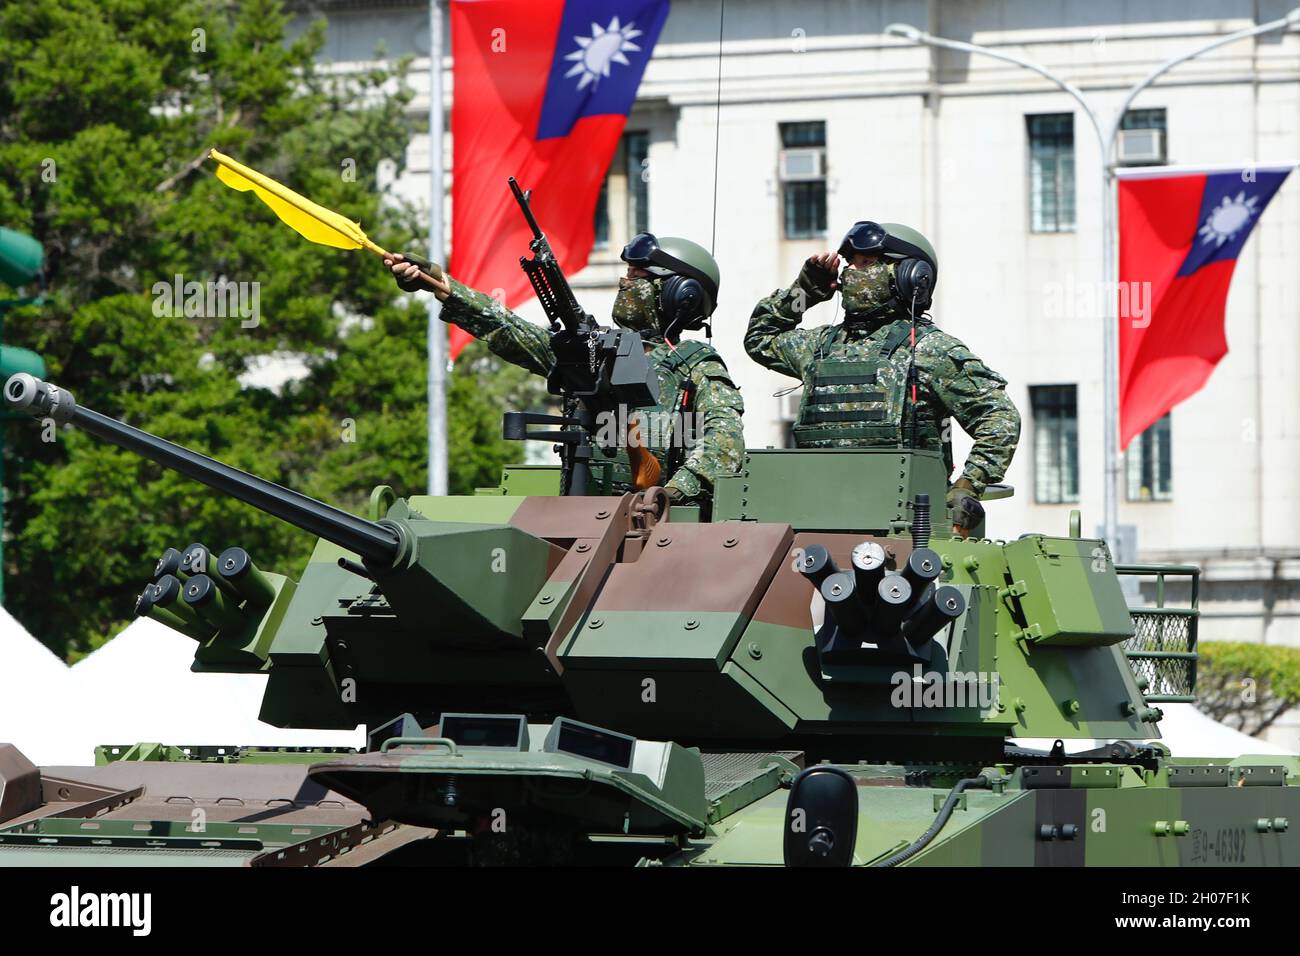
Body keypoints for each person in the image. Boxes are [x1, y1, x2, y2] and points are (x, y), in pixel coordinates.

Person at [387, 234, 744, 507]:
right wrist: (445, 288)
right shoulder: (596, 348)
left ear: (679, 295)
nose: (625, 281)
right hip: (576, 515)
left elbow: (724, 446)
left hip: (652, 531)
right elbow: (512, 331)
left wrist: (668, 496)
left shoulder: (695, 365)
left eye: (637, 274)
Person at [744, 220, 1020, 536]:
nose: (849, 273)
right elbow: (760, 338)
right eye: (848, 264)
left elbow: (1000, 418)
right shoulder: (818, 347)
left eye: (865, 263)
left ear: (908, 275)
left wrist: (969, 485)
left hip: (906, 530)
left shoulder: (930, 350)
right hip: (815, 524)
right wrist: (804, 293)